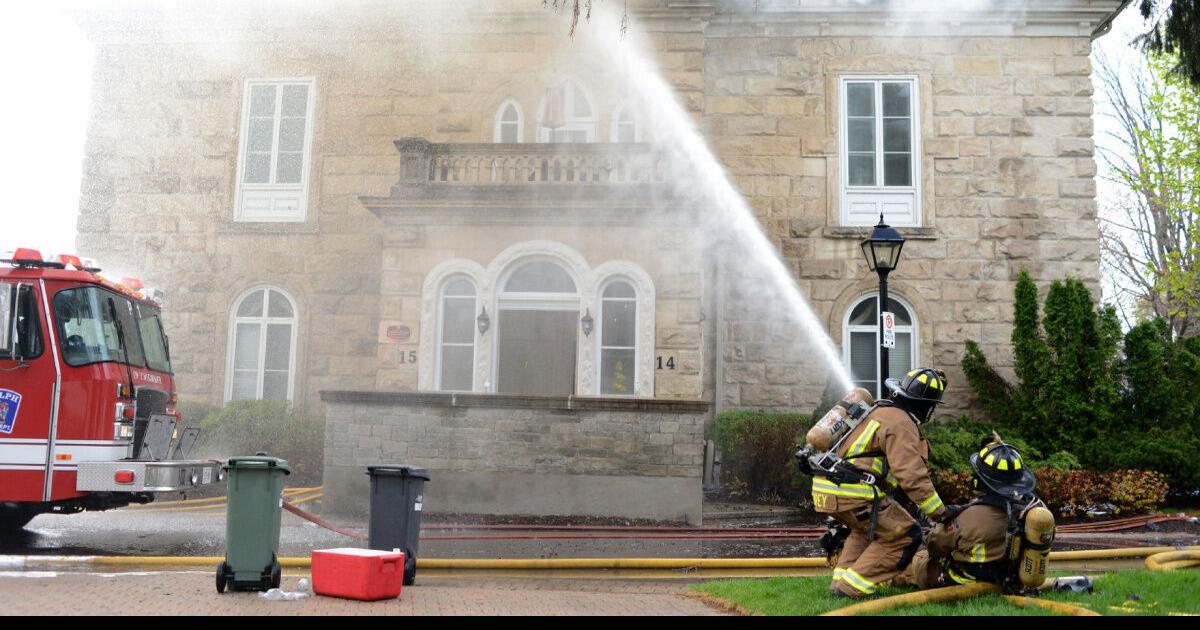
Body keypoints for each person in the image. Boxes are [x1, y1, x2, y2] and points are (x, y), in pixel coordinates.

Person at [811, 368, 955, 598]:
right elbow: (912, 474)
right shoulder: (901, 422)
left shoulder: (878, 410)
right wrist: (940, 512)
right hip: (852, 491)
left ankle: (839, 586)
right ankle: (851, 591)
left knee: (865, 531)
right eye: (931, 405)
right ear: (924, 405)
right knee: (906, 534)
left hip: (827, 486)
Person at [896, 436, 1037, 589]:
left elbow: (936, 545)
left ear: (981, 480)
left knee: (918, 559)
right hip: (1008, 580)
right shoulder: (1032, 513)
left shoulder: (968, 518)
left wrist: (933, 533)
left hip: (963, 582)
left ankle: (893, 577)